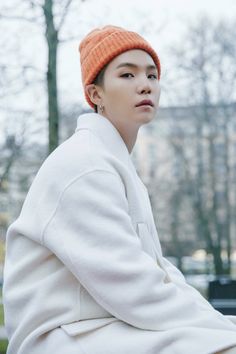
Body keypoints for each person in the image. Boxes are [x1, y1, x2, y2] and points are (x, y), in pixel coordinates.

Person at [2, 24, 236, 354]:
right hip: (65, 335)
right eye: (127, 75)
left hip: (107, 323)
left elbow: (160, 272)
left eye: (152, 75)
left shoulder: (114, 163)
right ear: (95, 94)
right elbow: (136, 290)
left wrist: (219, 321)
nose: (145, 85)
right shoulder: (84, 165)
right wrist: (220, 329)